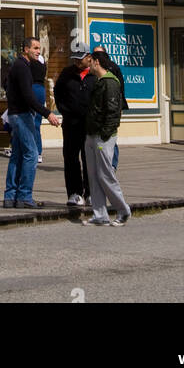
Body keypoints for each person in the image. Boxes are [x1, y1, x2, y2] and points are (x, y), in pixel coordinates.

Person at [3, 37, 62, 209]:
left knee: (17, 154)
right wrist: (48, 113)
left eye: (39, 48)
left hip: (17, 113)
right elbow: (28, 97)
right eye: (35, 48)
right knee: (31, 154)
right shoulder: (22, 67)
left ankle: (10, 196)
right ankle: (24, 196)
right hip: (21, 115)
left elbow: (7, 84)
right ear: (26, 49)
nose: (38, 51)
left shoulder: (20, 66)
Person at [81, 53, 131, 227]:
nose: (88, 65)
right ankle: (99, 214)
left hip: (102, 136)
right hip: (92, 134)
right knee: (93, 176)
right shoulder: (99, 82)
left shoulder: (110, 82)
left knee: (105, 175)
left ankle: (123, 210)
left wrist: (104, 133)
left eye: (90, 62)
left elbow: (112, 112)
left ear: (96, 62)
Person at [54, 40, 95, 205]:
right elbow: (58, 94)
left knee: (89, 159)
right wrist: (66, 110)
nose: (77, 62)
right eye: (75, 59)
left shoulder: (95, 74)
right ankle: (74, 193)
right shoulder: (67, 73)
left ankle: (91, 193)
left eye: (81, 58)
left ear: (89, 57)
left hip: (90, 125)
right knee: (71, 158)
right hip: (71, 124)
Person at [91, 47, 127, 169]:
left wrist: (105, 133)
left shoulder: (111, 74)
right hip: (96, 125)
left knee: (110, 142)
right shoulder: (94, 75)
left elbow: (118, 92)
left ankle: (112, 164)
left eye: (98, 54)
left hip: (105, 126)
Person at [30, 48, 47, 163]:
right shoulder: (43, 64)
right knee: (37, 122)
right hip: (41, 89)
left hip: (33, 88)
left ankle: (34, 150)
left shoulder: (31, 63)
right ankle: (38, 150)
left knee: (30, 121)